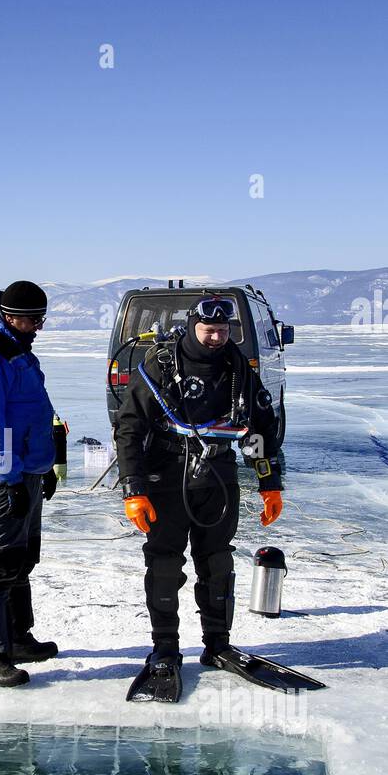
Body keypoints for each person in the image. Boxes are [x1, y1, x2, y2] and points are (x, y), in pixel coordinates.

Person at [113, 295, 283, 694]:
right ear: (193, 326)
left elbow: (258, 429)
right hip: (167, 477)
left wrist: (269, 482)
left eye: (223, 331)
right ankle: (165, 649)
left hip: (218, 476)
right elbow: (129, 430)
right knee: (165, 565)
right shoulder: (161, 364)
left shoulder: (237, 366)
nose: (215, 337)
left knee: (219, 562)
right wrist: (133, 489)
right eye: (209, 330)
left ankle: (218, 645)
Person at [0, 280, 60, 687]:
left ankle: (16, 638)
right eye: (31, 319)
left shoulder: (18, 349)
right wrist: (9, 478)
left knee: (22, 556)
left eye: (41, 320)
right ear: (8, 314)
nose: (37, 327)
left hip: (28, 471)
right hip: (4, 475)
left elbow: (35, 413)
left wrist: (46, 466)